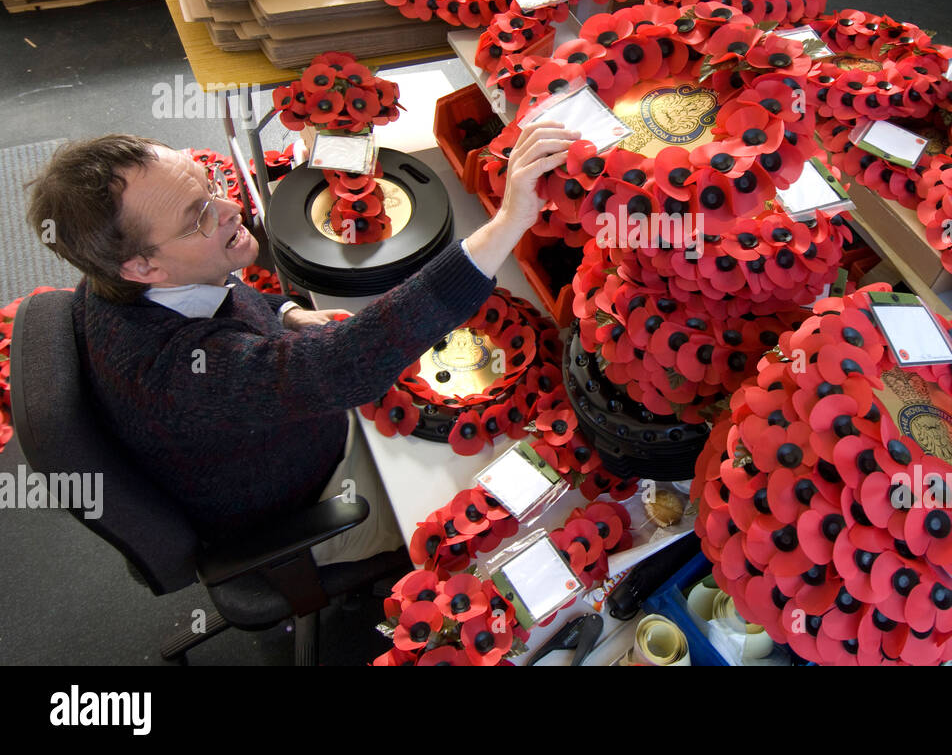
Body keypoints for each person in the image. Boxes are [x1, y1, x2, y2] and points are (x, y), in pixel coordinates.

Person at [25, 120, 577, 565]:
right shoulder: (181, 377)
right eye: (198, 218)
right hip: (313, 503)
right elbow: (345, 370)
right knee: (529, 481)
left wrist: (287, 314)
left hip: (278, 433)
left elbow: (220, 295)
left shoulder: (126, 278)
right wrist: (510, 221)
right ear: (140, 265)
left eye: (207, 186)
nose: (231, 209)